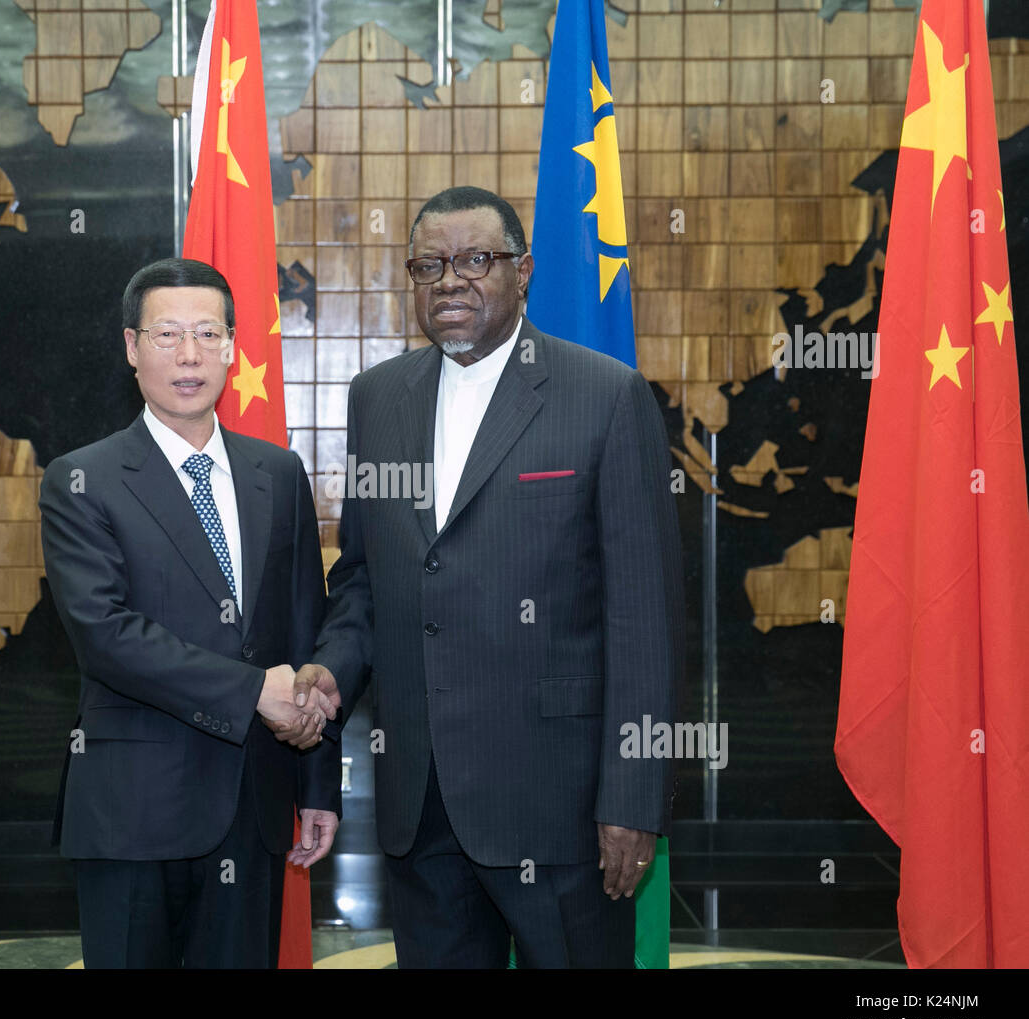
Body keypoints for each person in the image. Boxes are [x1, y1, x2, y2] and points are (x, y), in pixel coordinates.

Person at [295, 186, 684, 968]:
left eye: (477, 260)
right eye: (430, 265)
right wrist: (327, 674)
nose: (451, 281)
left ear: (524, 272)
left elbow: (645, 618)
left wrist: (633, 799)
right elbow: (368, 577)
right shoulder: (379, 399)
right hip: (422, 807)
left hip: (563, 810)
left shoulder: (605, 396)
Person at [39, 258, 339, 968]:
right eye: (167, 333)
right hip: (133, 811)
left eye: (208, 333)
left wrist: (317, 785)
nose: (189, 354)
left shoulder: (279, 473)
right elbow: (104, 635)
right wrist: (252, 691)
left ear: (234, 348)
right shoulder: (83, 479)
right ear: (131, 346)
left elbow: (305, 629)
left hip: (253, 806)